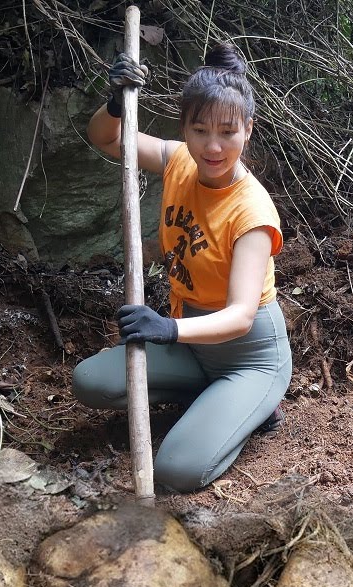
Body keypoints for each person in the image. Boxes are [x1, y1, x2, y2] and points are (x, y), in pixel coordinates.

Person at [73, 43, 291, 494]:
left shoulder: (251, 212)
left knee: (176, 471)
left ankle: (254, 406)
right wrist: (116, 102)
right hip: (193, 345)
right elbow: (108, 138)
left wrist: (166, 330)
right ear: (184, 130)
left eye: (228, 132)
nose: (213, 146)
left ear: (247, 131)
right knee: (90, 382)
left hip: (247, 357)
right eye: (200, 130)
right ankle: (209, 399)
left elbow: (242, 315)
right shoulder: (178, 161)